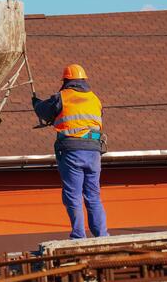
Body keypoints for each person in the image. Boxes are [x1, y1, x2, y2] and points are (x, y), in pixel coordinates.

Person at [32, 63, 109, 239]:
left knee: (73, 196)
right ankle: (102, 235)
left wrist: (36, 103)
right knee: (93, 195)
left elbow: (44, 111)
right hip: (94, 152)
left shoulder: (62, 97)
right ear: (84, 80)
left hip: (72, 151)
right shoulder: (95, 99)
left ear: (66, 80)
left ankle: (78, 236)